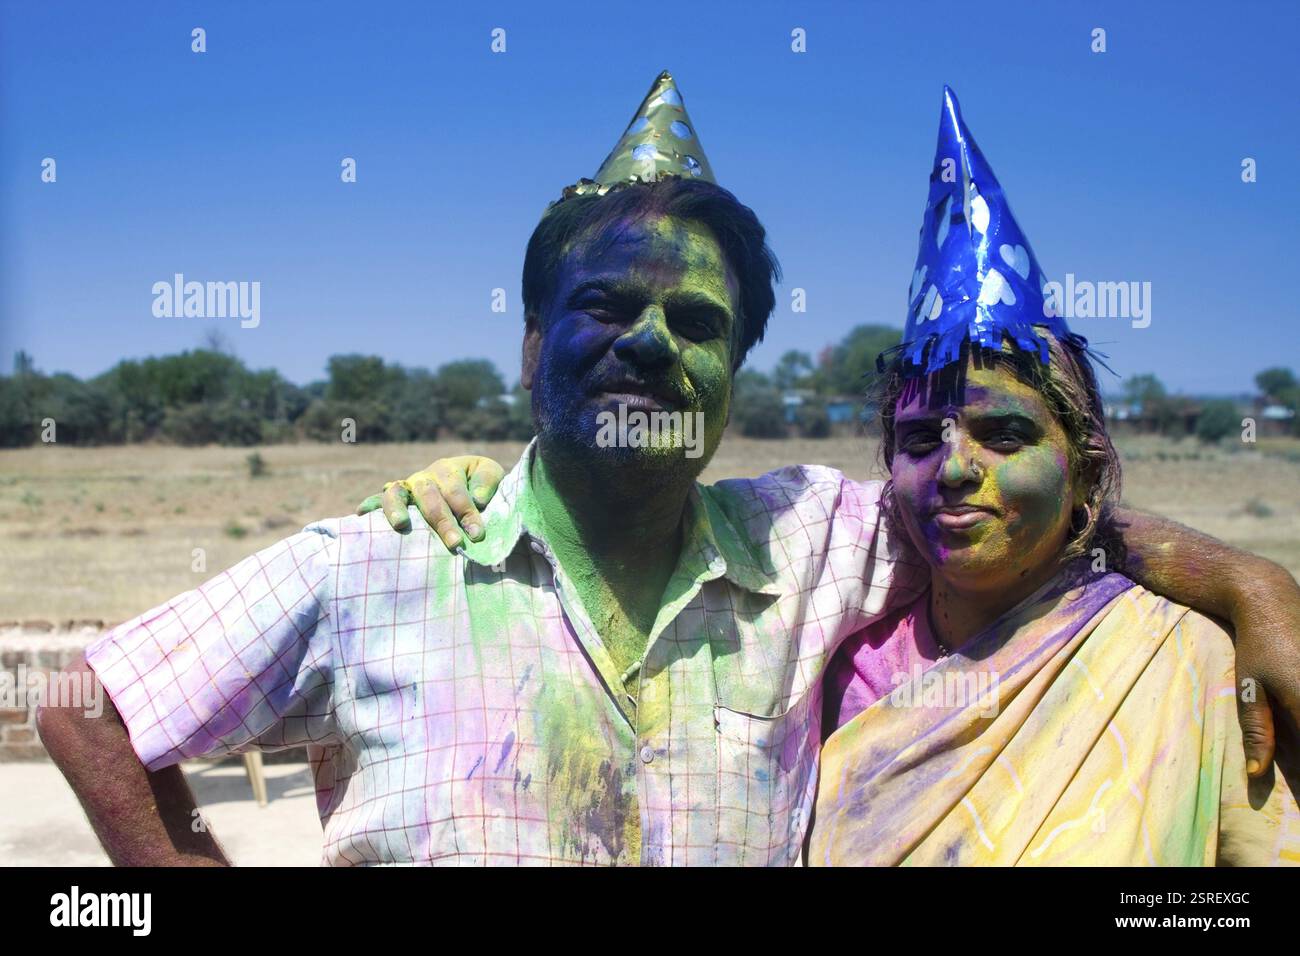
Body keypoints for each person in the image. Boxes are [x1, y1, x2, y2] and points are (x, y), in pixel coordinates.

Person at [40, 76, 1300, 867]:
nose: (651, 341)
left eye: (697, 324)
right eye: (606, 306)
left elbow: (1005, 503)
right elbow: (87, 701)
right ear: (533, 343)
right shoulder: (385, 558)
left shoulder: (811, 539)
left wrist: (1241, 581)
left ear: (735, 369)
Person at [810, 88, 1298, 864]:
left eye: (1004, 433)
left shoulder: (1186, 664)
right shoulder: (839, 670)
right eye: (917, 439)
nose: (955, 468)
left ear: (1086, 469)